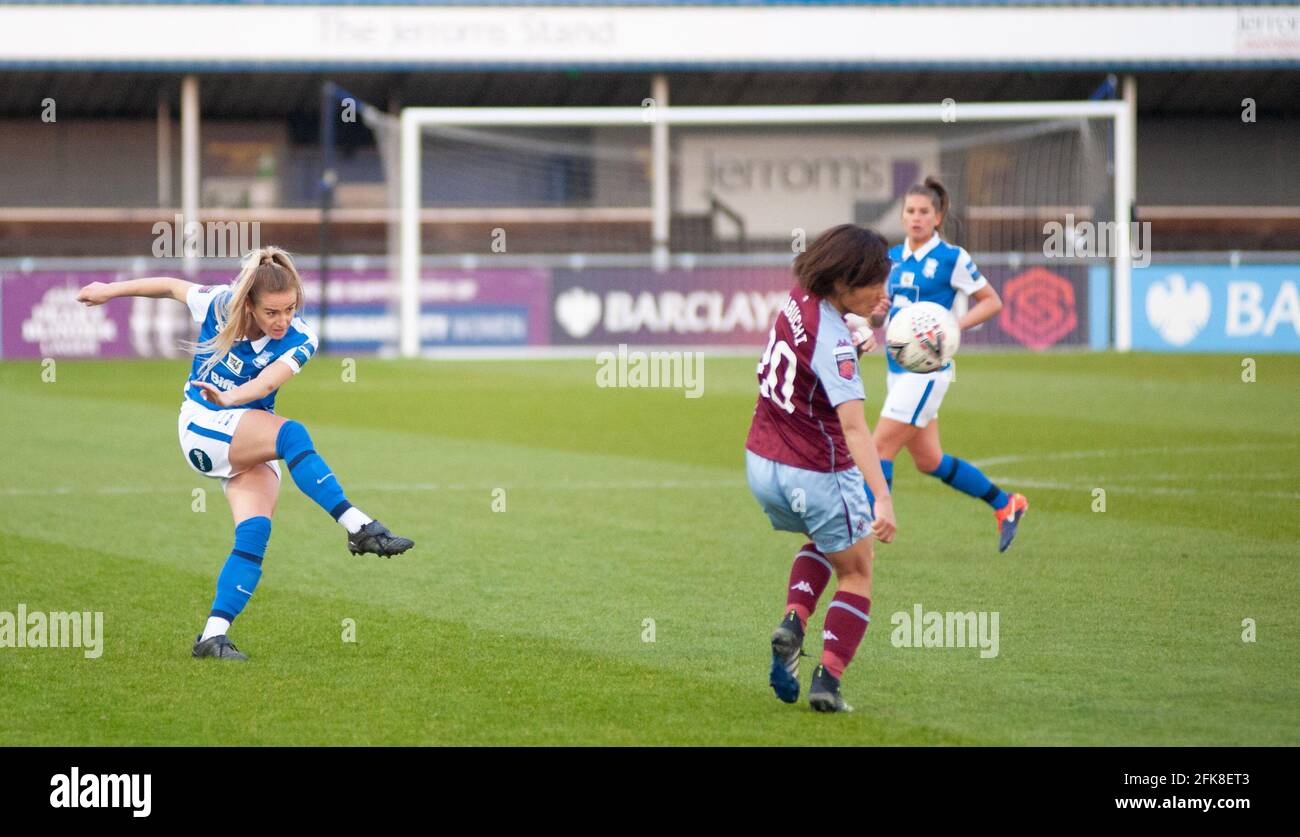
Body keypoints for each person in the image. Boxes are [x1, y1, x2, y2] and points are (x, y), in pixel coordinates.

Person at [76, 246, 414, 662]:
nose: (283, 319)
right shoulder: (220, 304)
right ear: (249, 305)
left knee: (253, 536)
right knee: (293, 435)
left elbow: (266, 383)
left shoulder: (302, 337)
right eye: (272, 312)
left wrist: (231, 396)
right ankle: (358, 527)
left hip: (247, 431)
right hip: (202, 424)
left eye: (289, 308)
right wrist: (109, 291)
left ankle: (212, 637)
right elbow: (169, 286)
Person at [745, 224, 897, 713]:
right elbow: (854, 430)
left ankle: (793, 621)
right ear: (841, 280)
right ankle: (827, 680)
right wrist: (883, 496)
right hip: (816, 470)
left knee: (827, 538)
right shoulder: (834, 343)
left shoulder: (797, 299)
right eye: (874, 281)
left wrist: (860, 332)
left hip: (762, 465)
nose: (882, 291)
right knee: (858, 568)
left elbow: (815, 353)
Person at [866, 177, 1029, 552]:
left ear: (938, 217)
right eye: (910, 211)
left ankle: (867, 533)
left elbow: (991, 301)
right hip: (896, 369)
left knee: (878, 449)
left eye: (924, 211)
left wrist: (952, 325)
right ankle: (1006, 504)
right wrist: (877, 315)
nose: (916, 218)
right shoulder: (890, 258)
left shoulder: (952, 258)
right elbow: (878, 318)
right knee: (929, 460)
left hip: (927, 372)